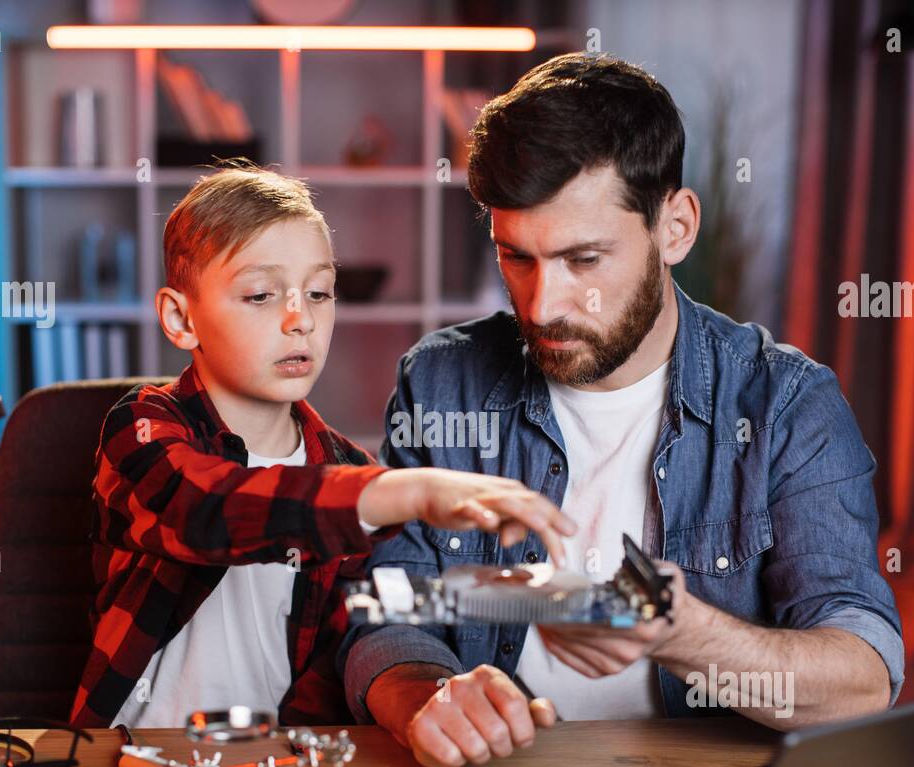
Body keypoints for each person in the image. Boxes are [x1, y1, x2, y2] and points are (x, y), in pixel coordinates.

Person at [339, 54, 904, 767]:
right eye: (516, 258)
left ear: (675, 228)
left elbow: (864, 678)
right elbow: (384, 606)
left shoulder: (788, 404)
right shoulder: (443, 382)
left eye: (584, 260)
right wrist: (423, 694)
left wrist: (679, 630)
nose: (543, 305)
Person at [71, 163, 575, 728]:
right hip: (130, 756)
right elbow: (205, 508)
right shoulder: (141, 425)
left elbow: (350, 644)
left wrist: (542, 607)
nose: (300, 320)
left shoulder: (346, 470)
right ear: (180, 317)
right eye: (261, 295)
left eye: (319, 293)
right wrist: (404, 489)